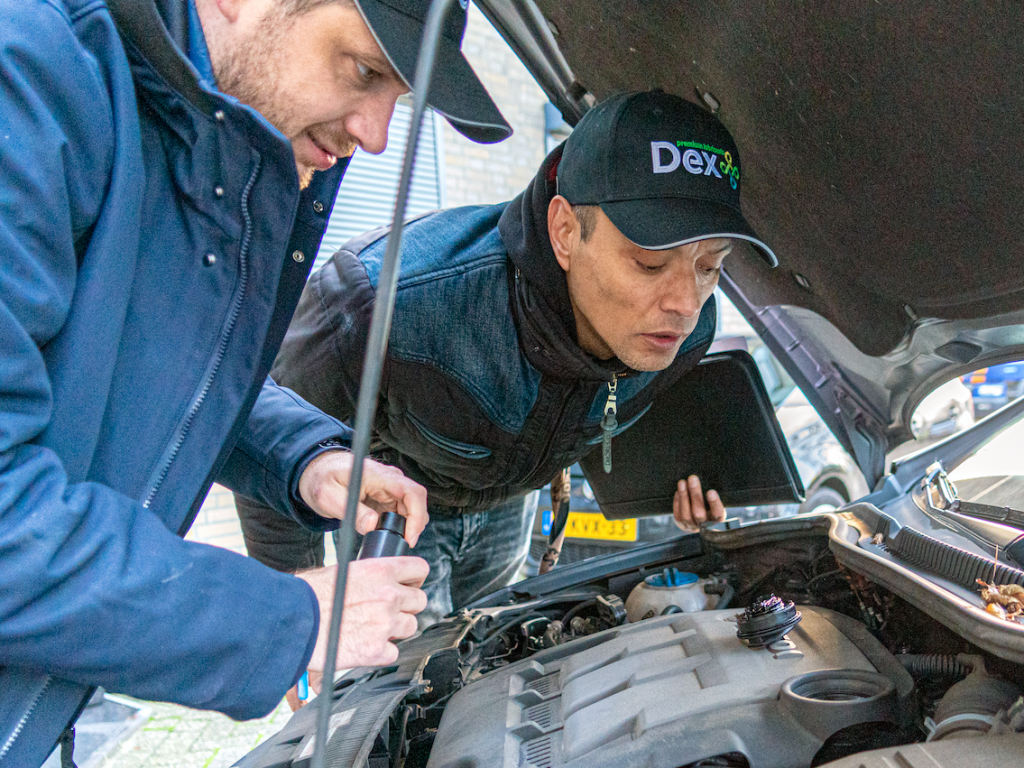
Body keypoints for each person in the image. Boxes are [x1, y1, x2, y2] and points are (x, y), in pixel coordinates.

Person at [0, 0, 510, 763]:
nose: (373, 136)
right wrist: (294, 620)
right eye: (365, 72)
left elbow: (146, 364)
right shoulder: (29, 81)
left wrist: (302, 457)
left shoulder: (210, 142)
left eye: (395, 100)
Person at [236, 90, 778, 628]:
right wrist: (295, 626)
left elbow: (615, 421)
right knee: (410, 681)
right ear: (566, 232)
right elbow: (277, 444)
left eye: (710, 267)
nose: (685, 304)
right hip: (402, 508)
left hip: (511, 510)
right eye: (651, 264)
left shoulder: (685, 331)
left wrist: (675, 488)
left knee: (498, 649)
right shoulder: (383, 303)